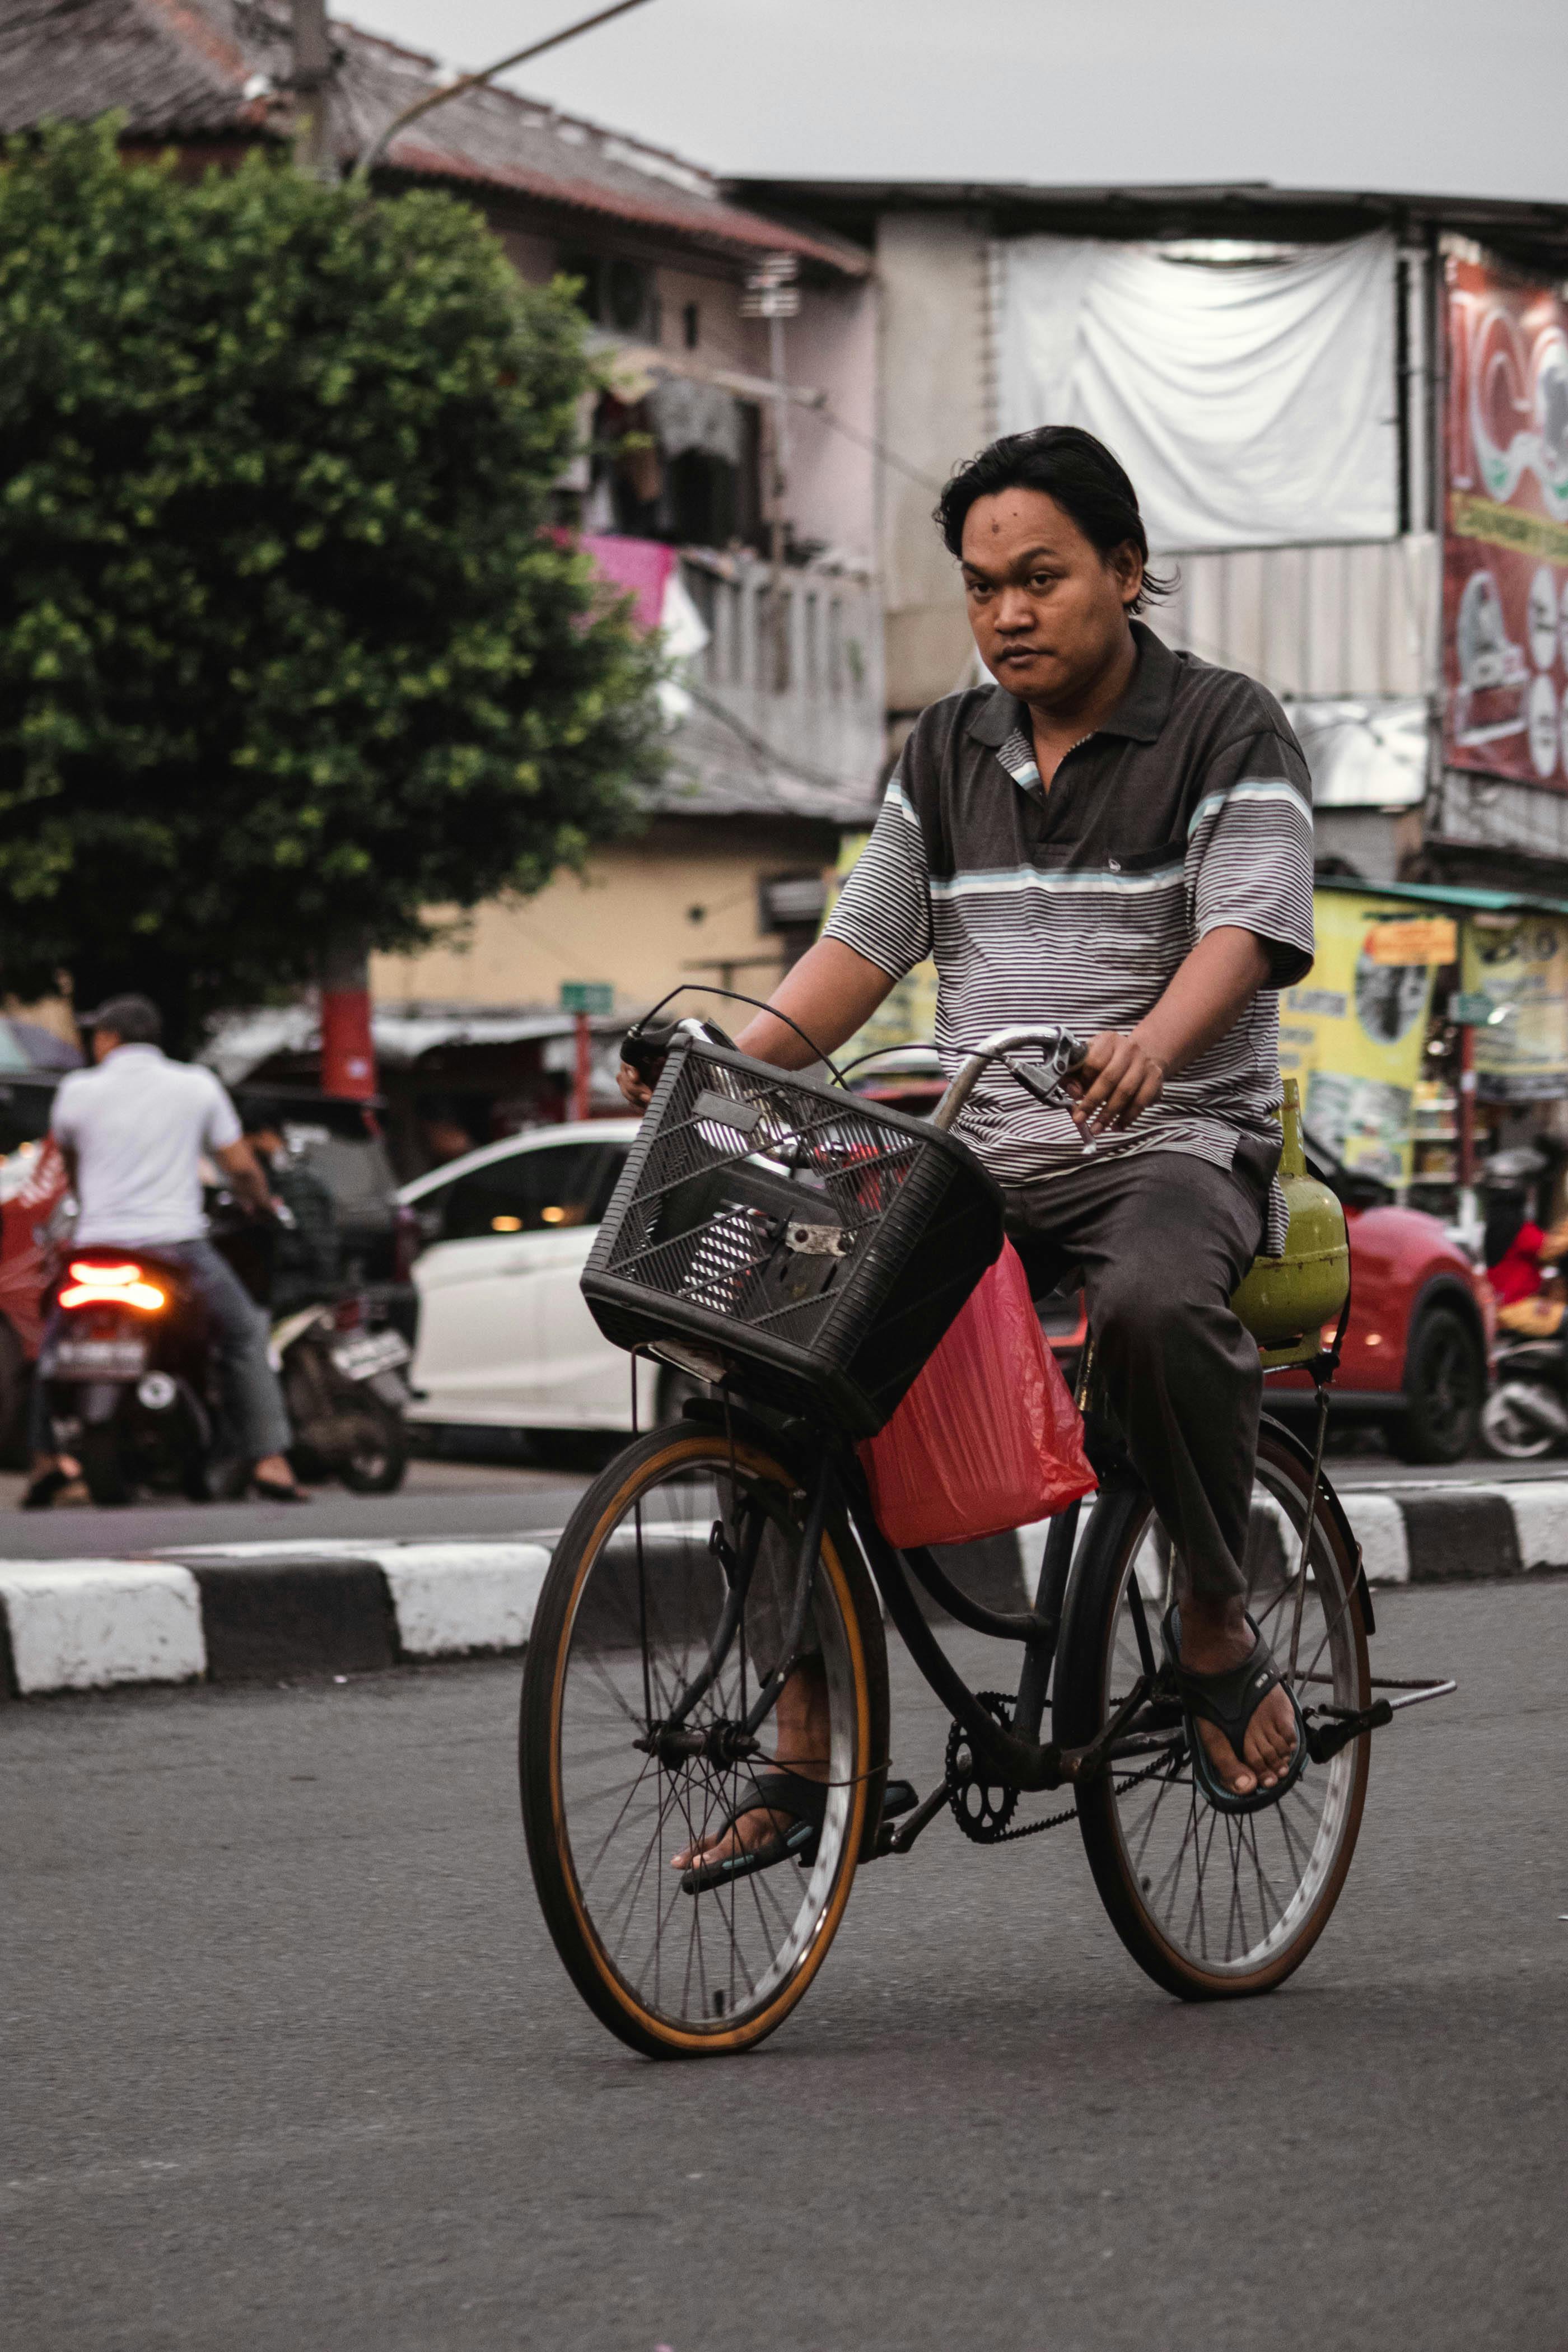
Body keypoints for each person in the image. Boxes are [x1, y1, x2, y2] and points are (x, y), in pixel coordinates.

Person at [620, 425, 1318, 1867]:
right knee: (757, 1332)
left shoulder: (1226, 727)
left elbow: (1247, 928)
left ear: (1123, 569)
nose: (1008, 612)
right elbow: (859, 951)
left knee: (1152, 1308)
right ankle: (808, 1738)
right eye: (982, 586)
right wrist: (721, 1065)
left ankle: (1209, 1611)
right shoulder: (943, 750)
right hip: (973, 1153)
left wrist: (1151, 1042)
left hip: (1168, 1140)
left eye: (1040, 578)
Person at [24, 995, 305, 1507]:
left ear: (108, 1039)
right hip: (176, 1249)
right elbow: (242, 1168)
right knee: (245, 1335)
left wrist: (90, 1204)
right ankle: (270, 1458)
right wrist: (261, 1204)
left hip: (96, 1247)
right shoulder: (196, 1085)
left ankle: (45, 1457)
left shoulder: (77, 1090)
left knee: (54, 1345)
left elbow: (71, 1162)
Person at [243, 1121, 340, 1315]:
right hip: (285, 1282)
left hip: (298, 1289)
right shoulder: (276, 1175)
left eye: (247, 1139)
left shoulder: (294, 1179)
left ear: (264, 1136)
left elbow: (317, 1239)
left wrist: (323, 1290)